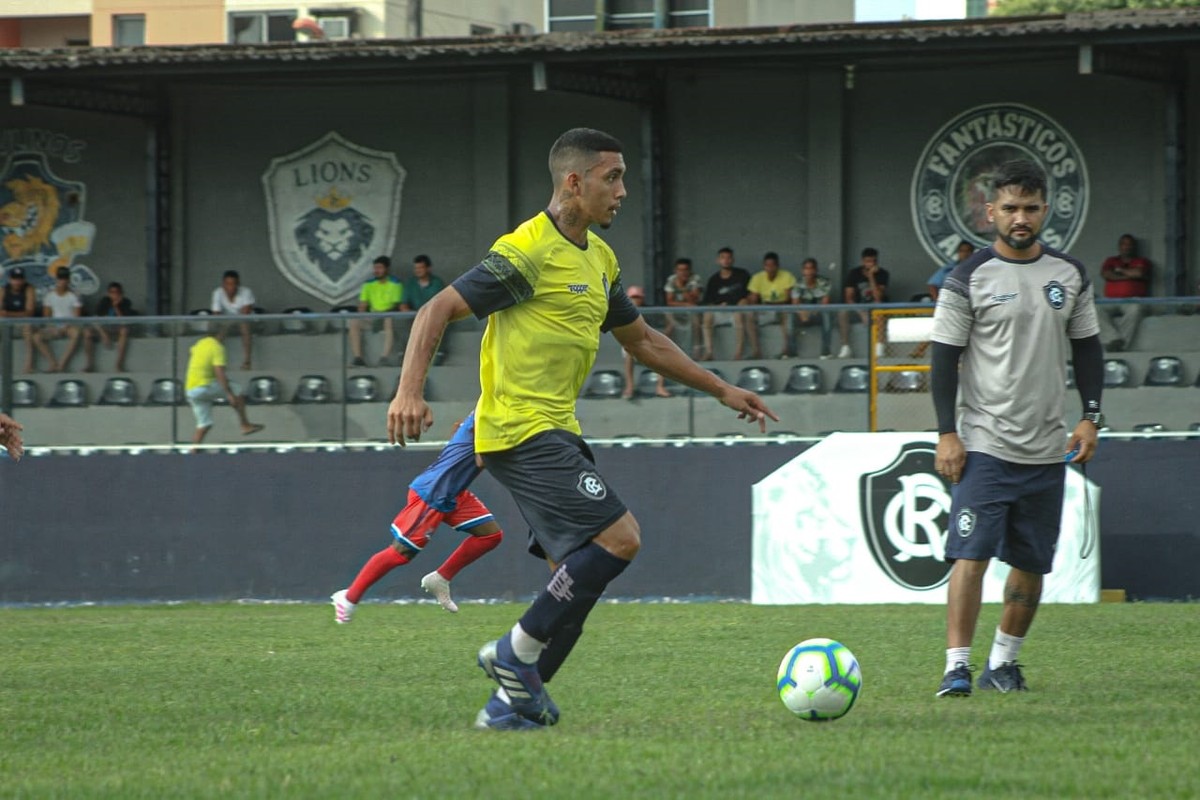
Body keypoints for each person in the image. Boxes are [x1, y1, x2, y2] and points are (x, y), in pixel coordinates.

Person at [386, 128, 777, 731]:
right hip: (518, 428)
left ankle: (509, 712)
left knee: (572, 586)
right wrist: (409, 390)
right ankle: (511, 656)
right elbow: (436, 308)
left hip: (558, 431)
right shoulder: (526, 251)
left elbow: (641, 340)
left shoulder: (599, 258)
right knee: (620, 539)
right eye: (612, 177)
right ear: (574, 182)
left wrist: (721, 387)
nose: (622, 191)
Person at [930, 159, 1104, 698]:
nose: (1020, 217)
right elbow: (942, 359)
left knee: (1030, 563)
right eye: (1010, 208)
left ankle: (1002, 664)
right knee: (970, 555)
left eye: (1030, 208)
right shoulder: (968, 279)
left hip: (1048, 447)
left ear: (1045, 210)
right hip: (985, 444)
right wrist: (946, 432)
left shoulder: (1070, 275)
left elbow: (1089, 349)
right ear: (990, 213)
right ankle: (956, 666)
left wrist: (1091, 416)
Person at [331, 410, 503, 620]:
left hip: (454, 492)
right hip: (434, 492)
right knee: (400, 552)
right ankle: (348, 598)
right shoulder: (491, 411)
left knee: (490, 535)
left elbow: (460, 431)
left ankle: (440, 578)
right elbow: (481, 460)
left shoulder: (495, 410)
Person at [184, 332, 264, 452]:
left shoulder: (199, 344)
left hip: (191, 389)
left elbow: (191, 352)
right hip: (205, 385)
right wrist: (229, 394)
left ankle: (193, 451)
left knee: (204, 424)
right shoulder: (217, 347)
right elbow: (219, 372)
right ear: (220, 335)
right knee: (237, 389)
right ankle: (245, 425)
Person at [1096, 233, 1151, 352]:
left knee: (1135, 308)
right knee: (1093, 308)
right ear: (1119, 246)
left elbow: (1139, 273)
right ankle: (1113, 339)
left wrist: (1119, 271)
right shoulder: (1111, 260)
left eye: (1130, 244)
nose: (1127, 247)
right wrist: (1128, 275)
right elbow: (1106, 274)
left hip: (1132, 300)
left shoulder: (1141, 261)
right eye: (1124, 244)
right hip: (1111, 301)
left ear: (1134, 247)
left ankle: (1121, 346)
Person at [349, 256, 405, 367]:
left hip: (388, 317)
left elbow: (396, 305)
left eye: (379, 268)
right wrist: (361, 314)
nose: (376, 271)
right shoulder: (368, 284)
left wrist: (384, 314)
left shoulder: (396, 283)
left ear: (387, 269)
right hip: (373, 316)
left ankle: (384, 357)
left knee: (388, 319)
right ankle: (358, 358)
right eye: (375, 268)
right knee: (354, 322)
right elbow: (363, 306)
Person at [699, 247, 752, 361]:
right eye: (723, 258)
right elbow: (708, 302)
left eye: (729, 258)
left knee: (739, 315)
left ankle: (738, 353)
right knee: (707, 315)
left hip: (736, 311)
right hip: (719, 311)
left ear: (733, 260)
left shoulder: (742, 275)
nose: (726, 260)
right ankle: (709, 352)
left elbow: (750, 295)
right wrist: (717, 306)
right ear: (718, 260)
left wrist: (742, 302)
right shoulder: (713, 279)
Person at [837, 247, 890, 359]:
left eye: (874, 261)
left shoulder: (883, 274)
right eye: (868, 261)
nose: (870, 264)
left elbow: (878, 297)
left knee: (880, 310)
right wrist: (861, 313)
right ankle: (845, 347)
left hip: (875, 307)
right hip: (858, 308)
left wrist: (871, 277)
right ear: (863, 261)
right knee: (843, 312)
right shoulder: (854, 273)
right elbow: (848, 298)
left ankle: (879, 346)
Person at [32, 266, 84, 372]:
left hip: (69, 326)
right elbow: (46, 317)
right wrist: (52, 327)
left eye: (64, 278)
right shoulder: (50, 296)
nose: (62, 281)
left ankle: (62, 364)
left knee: (76, 333)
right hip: (54, 327)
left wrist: (66, 326)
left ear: (68, 280)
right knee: (36, 337)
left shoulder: (74, 296)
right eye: (60, 278)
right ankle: (53, 363)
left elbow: (77, 317)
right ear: (56, 279)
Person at [621, 286, 669, 399]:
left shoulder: (650, 311)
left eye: (638, 297)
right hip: (631, 343)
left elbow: (665, 323)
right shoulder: (623, 311)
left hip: (649, 343)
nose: (635, 300)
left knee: (661, 351)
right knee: (628, 352)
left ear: (642, 298)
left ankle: (660, 387)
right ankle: (629, 386)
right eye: (633, 297)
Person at [746, 251, 797, 359]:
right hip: (765, 310)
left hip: (782, 309)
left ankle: (786, 351)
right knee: (749, 316)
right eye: (767, 265)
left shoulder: (786, 276)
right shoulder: (758, 277)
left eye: (772, 265)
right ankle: (756, 351)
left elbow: (788, 298)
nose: (770, 268)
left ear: (777, 266)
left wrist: (773, 304)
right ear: (764, 266)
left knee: (787, 315)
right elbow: (754, 299)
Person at [84, 281, 135, 373]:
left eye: (117, 292)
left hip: (117, 328)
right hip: (104, 329)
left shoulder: (126, 302)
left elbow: (124, 321)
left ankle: (118, 365)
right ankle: (89, 365)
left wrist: (116, 306)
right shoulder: (104, 301)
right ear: (108, 293)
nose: (114, 295)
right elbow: (95, 319)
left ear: (121, 293)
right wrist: (104, 335)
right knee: (87, 332)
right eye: (112, 292)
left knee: (124, 331)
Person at [210, 270, 256, 370]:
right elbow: (215, 315)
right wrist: (225, 322)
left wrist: (229, 321)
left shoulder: (246, 292)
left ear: (238, 284)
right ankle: (213, 362)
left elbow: (245, 313)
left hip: (247, 322)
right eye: (227, 284)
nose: (230, 287)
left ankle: (247, 361)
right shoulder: (217, 293)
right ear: (223, 284)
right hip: (227, 323)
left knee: (244, 327)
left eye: (233, 284)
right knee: (216, 332)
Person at [789, 257, 834, 359]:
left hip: (818, 314)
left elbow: (825, 303)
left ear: (816, 270)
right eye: (806, 268)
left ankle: (825, 352)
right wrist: (801, 312)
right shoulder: (798, 283)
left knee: (826, 314)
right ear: (802, 270)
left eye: (811, 268)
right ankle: (792, 352)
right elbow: (795, 303)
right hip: (803, 315)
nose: (808, 271)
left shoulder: (825, 282)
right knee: (790, 316)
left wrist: (812, 312)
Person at [661, 257, 703, 358]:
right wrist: (686, 304)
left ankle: (697, 349)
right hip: (677, 310)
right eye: (680, 270)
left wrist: (682, 288)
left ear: (689, 270)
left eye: (685, 270)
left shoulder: (695, 279)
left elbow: (694, 300)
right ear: (675, 271)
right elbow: (669, 301)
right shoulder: (671, 280)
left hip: (691, 311)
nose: (683, 273)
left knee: (696, 320)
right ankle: (663, 349)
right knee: (669, 320)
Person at [1, 267, 38, 373]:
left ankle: (29, 366)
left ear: (24, 280)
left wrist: (8, 314)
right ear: (10, 279)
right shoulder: (4, 290)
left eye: (19, 279)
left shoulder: (29, 289)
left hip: (23, 324)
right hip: (7, 325)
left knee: (28, 327)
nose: (17, 282)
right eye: (14, 279)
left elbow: (29, 312)